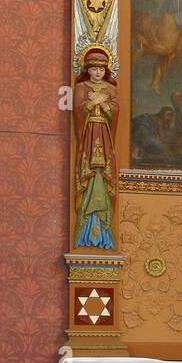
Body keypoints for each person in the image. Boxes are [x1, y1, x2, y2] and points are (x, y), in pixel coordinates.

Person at [72, 46, 119, 249]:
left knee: (103, 170)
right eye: (94, 69)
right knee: (89, 170)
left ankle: (104, 229)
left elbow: (116, 113)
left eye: (102, 69)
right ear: (88, 70)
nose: (98, 72)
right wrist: (91, 105)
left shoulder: (111, 90)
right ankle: (85, 227)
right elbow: (77, 112)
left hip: (104, 134)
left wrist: (104, 104)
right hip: (89, 133)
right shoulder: (82, 88)